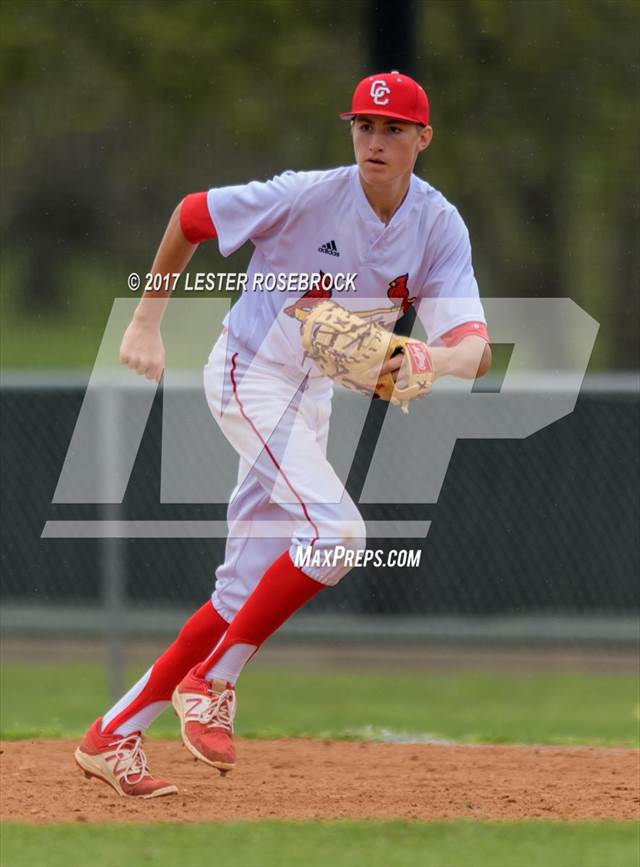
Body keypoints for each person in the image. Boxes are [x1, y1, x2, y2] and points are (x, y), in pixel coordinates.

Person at [74, 71, 491, 798]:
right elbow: (191, 215)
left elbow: (475, 347)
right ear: (350, 132)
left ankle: (113, 733)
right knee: (340, 534)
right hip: (249, 374)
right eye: (365, 125)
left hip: (309, 398)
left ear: (424, 138)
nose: (376, 140)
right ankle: (211, 684)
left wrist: (431, 356)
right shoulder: (307, 195)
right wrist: (145, 320)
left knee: (239, 595)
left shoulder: (437, 224)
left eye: (394, 129)